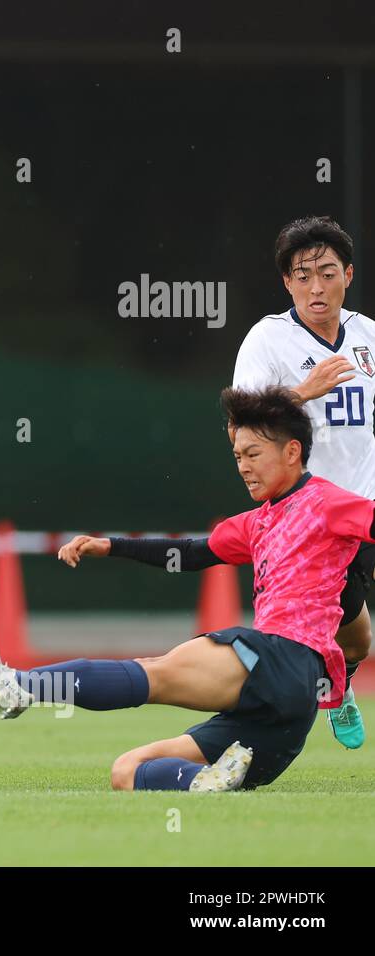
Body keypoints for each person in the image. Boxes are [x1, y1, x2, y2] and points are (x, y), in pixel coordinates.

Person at [0, 387, 363, 792]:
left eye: (253, 454)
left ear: (292, 452)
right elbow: (190, 553)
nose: (243, 467)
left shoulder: (327, 501)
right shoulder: (257, 521)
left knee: (153, 674)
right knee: (128, 771)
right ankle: (202, 782)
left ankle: (19, 685)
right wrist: (112, 546)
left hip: (284, 659)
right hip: (280, 725)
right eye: (237, 456)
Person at [232, 216, 372, 748]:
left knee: (355, 641)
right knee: (354, 639)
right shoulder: (268, 340)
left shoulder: (367, 337)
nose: (317, 286)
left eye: (328, 273)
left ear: (348, 275)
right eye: (303, 275)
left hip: (364, 505)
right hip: (307, 516)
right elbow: (241, 423)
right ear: (287, 283)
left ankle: (334, 680)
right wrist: (303, 392)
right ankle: (326, 689)